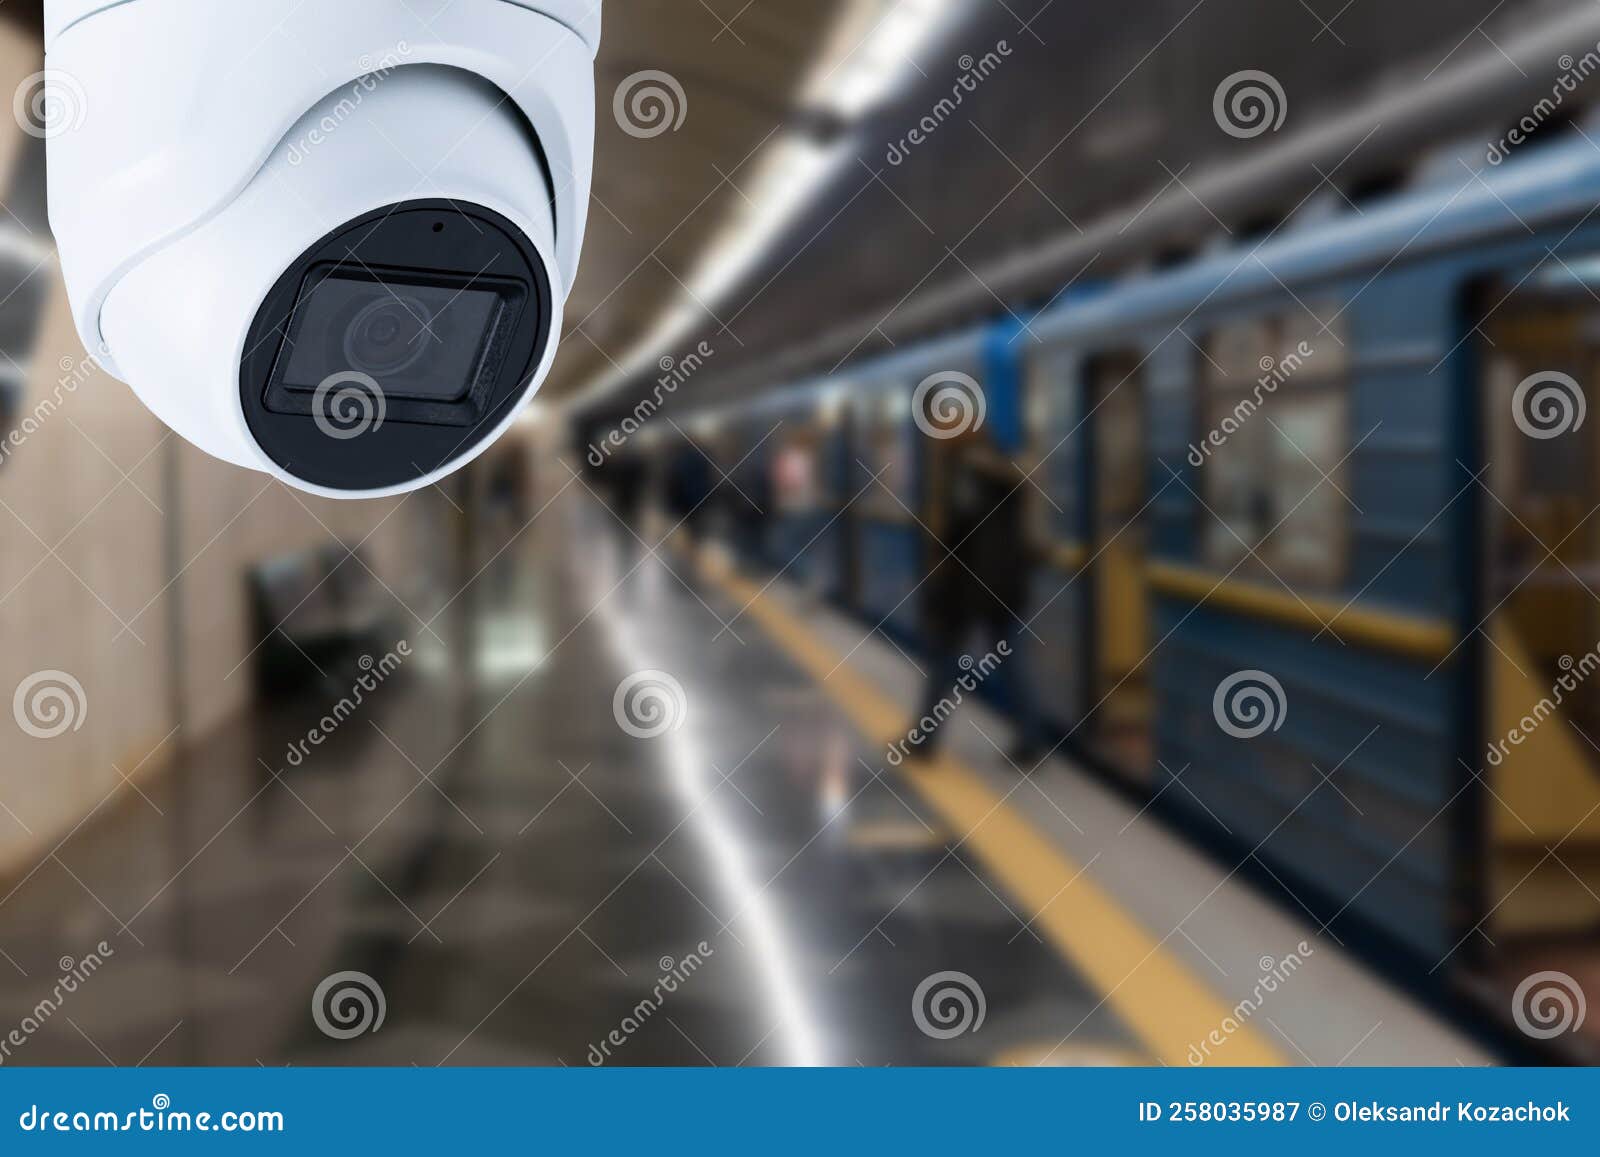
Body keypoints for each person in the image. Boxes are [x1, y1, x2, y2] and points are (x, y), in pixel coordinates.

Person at [909, 425, 1045, 767]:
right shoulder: (1005, 467)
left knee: (944, 661)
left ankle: (925, 740)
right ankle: (1029, 739)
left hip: (970, 587)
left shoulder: (966, 473)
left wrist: (938, 564)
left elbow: (959, 532)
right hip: (1004, 584)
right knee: (1008, 662)